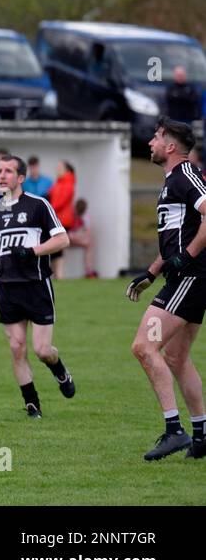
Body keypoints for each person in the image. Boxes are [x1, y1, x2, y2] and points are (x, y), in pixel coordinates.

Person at [127, 117, 206, 461]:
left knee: (144, 347)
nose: (150, 142)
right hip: (186, 276)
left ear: (171, 146)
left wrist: (185, 259)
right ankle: (202, 434)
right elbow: (175, 239)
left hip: (191, 277)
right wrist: (150, 272)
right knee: (175, 356)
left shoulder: (186, 174)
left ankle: (175, 431)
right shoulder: (172, 181)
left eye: (157, 137)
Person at [0, 153, 75, 419]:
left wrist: (33, 251)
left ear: (21, 177)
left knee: (43, 350)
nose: (2, 175)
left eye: (8, 171)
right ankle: (32, 404)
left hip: (36, 286)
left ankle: (60, 371)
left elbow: (62, 240)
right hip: (7, 288)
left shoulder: (38, 205)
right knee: (16, 347)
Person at [48, 161, 77, 280]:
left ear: (67, 170)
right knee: (55, 249)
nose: (57, 169)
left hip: (63, 220)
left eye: (60, 167)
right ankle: (56, 275)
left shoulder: (69, 184)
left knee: (58, 247)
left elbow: (60, 203)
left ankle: (59, 275)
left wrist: (48, 208)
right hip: (56, 219)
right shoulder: (58, 183)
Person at [67, 198, 98, 279]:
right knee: (89, 244)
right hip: (68, 237)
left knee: (89, 243)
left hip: (71, 237)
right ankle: (89, 270)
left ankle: (89, 271)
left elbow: (87, 232)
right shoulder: (72, 215)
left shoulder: (81, 216)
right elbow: (87, 232)